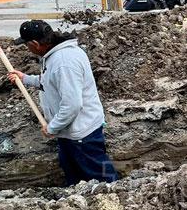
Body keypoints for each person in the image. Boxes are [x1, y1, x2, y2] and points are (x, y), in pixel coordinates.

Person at [8, 20, 118, 186]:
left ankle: (117, 192)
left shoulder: (64, 63)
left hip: (82, 135)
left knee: (102, 176)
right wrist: (25, 79)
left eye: (26, 45)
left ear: (35, 44)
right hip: (69, 132)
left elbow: (72, 105)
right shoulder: (55, 55)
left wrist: (52, 128)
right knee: (74, 177)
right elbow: (51, 81)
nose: (27, 48)